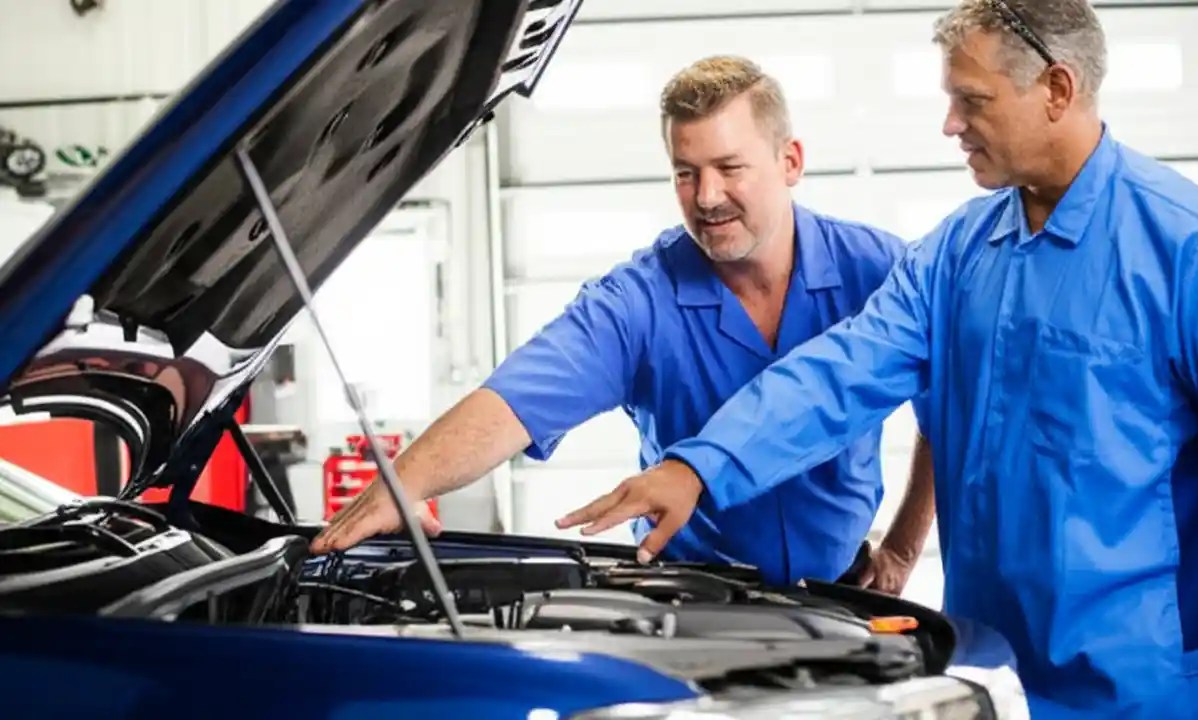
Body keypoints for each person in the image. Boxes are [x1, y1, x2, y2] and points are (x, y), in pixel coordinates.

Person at [556, 2, 1198, 717]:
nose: (950, 124)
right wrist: (700, 466)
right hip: (992, 669)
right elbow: (841, 371)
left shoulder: (1196, 253)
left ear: (1057, 88)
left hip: (1151, 682)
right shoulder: (957, 253)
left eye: (972, 100)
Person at [310, 55, 936, 590]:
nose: (707, 196)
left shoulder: (878, 269)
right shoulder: (638, 301)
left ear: (790, 161)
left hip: (843, 592)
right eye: (685, 172)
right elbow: (514, 400)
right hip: (694, 599)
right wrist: (402, 484)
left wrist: (904, 549)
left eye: (729, 167)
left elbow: (947, 404)